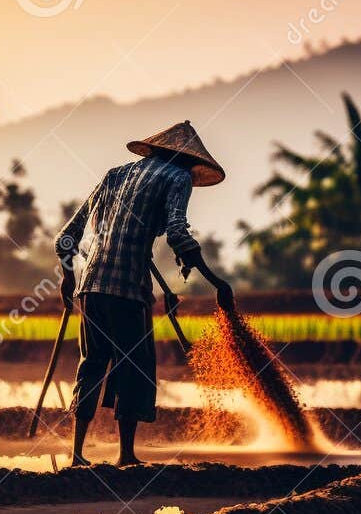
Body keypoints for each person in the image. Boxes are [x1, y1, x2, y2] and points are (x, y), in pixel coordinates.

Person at [56, 120, 234, 467]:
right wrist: (217, 282)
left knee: (91, 365)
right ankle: (126, 455)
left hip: (91, 286)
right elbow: (177, 232)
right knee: (134, 368)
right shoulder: (177, 177)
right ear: (185, 160)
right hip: (126, 292)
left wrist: (67, 278)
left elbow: (67, 235)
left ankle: (77, 454)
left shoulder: (115, 175)